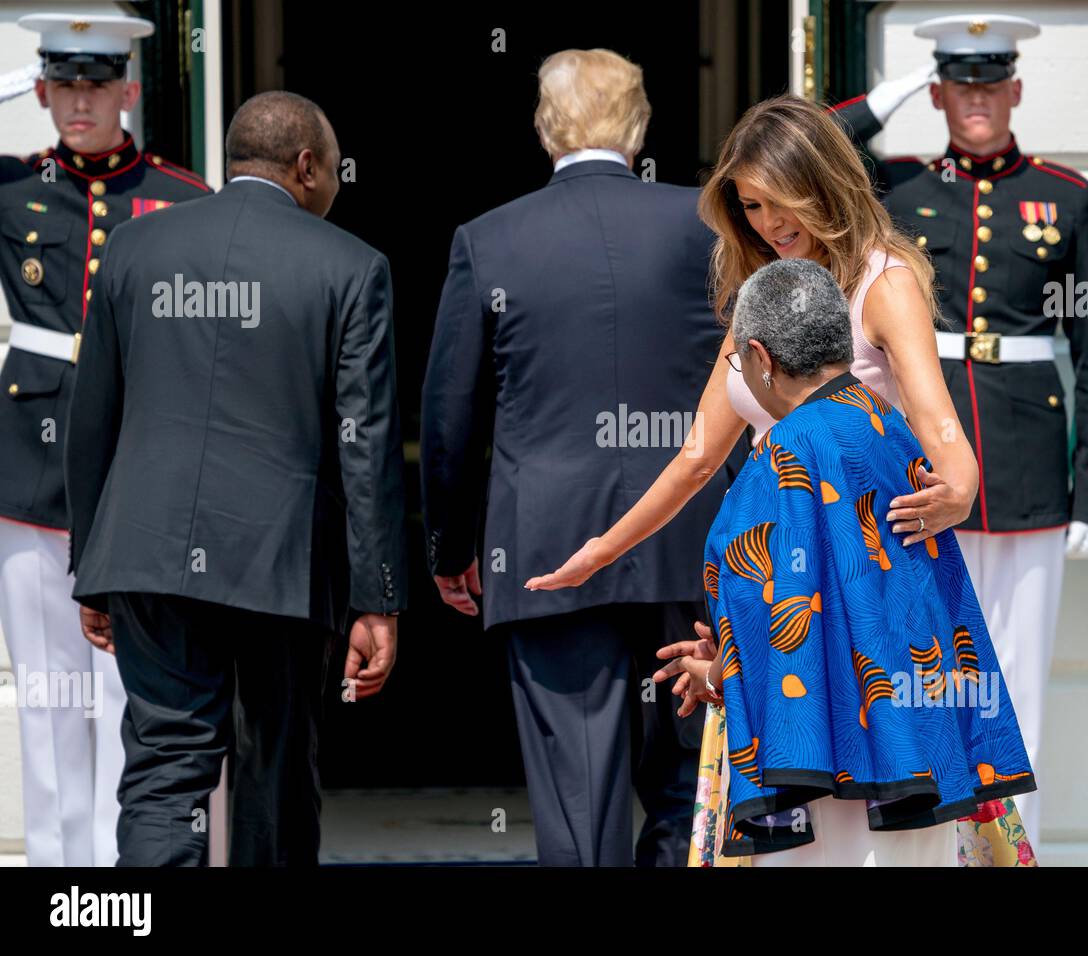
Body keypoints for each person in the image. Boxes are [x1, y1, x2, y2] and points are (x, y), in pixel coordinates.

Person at [420, 49, 746, 867]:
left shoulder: (488, 239)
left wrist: (451, 549)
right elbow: (754, 378)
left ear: (542, 127)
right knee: (691, 785)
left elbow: (451, 415)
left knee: (578, 795)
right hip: (690, 539)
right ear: (639, 128)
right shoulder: (708, 225)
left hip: (547, 547)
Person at [63, 90, 407, 866]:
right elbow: (367, 443)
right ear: (308, 165)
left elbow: (91, 423)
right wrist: (377, 598)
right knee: (274, 767)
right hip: (279, 566)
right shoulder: (353, 266)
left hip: (146, 554)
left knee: (162, 769)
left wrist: (91, 568)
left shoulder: (133, 248)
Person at [832, 13, 1088, 848]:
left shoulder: (1068, 199)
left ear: (1017, 90)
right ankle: (934, 850)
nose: (977, 101)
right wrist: (888, 97)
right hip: (917, 474)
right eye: (961, 85)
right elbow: (811, 150)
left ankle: (1015, 852)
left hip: (1029, 466)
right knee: (925, 674)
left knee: (1016, 681)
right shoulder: (900, 188)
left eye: (991, 84)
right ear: (940, 92)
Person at [656, 257, 1036, 865]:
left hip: (828, 763)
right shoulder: (887, 426)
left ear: (761, 357)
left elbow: (780, 617)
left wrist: (713, 675)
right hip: (917, 745)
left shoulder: (785, 454)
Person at [0, 12, 210, 866]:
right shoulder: (13, 191)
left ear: (129, 88)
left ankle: (127, 879)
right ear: (46, 88)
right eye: (64, 84)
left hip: (135, 467)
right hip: (30, 474)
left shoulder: (183, 198)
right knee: (50, 700)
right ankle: (61, 880)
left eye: (97, 84)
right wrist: (19, 84)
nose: (78, 103)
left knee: (131, 692)